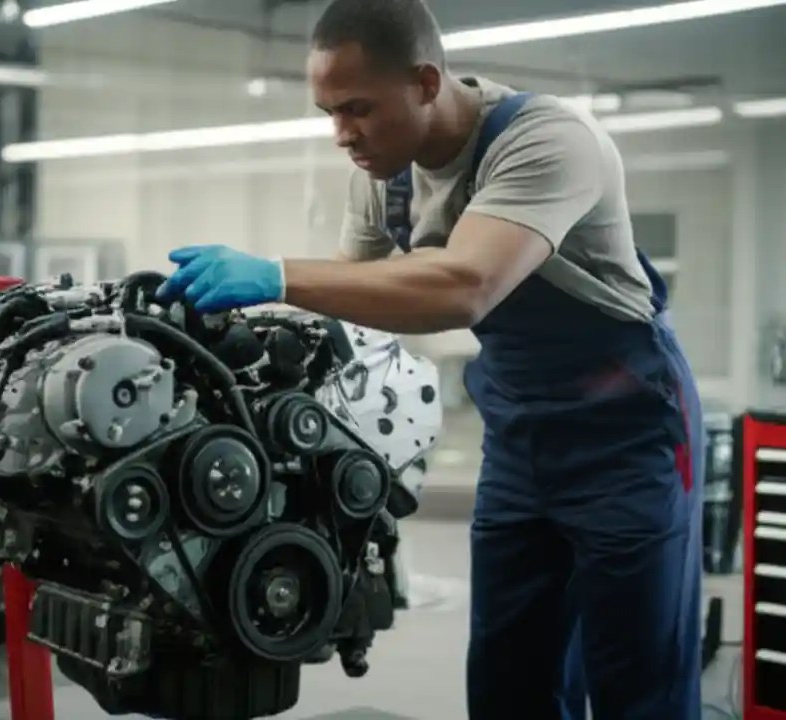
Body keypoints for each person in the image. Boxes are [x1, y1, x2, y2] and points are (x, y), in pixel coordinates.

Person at [156, 1, 705, 718]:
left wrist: (277, 273)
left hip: (628, 430)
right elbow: (346, 302)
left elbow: (465, 285)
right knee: (510, 678)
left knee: (639, 680)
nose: (341, 134)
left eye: (357, 108)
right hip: (523, 436)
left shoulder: (545, 139)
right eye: (328, 111)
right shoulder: (383, 176)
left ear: (423, 81)